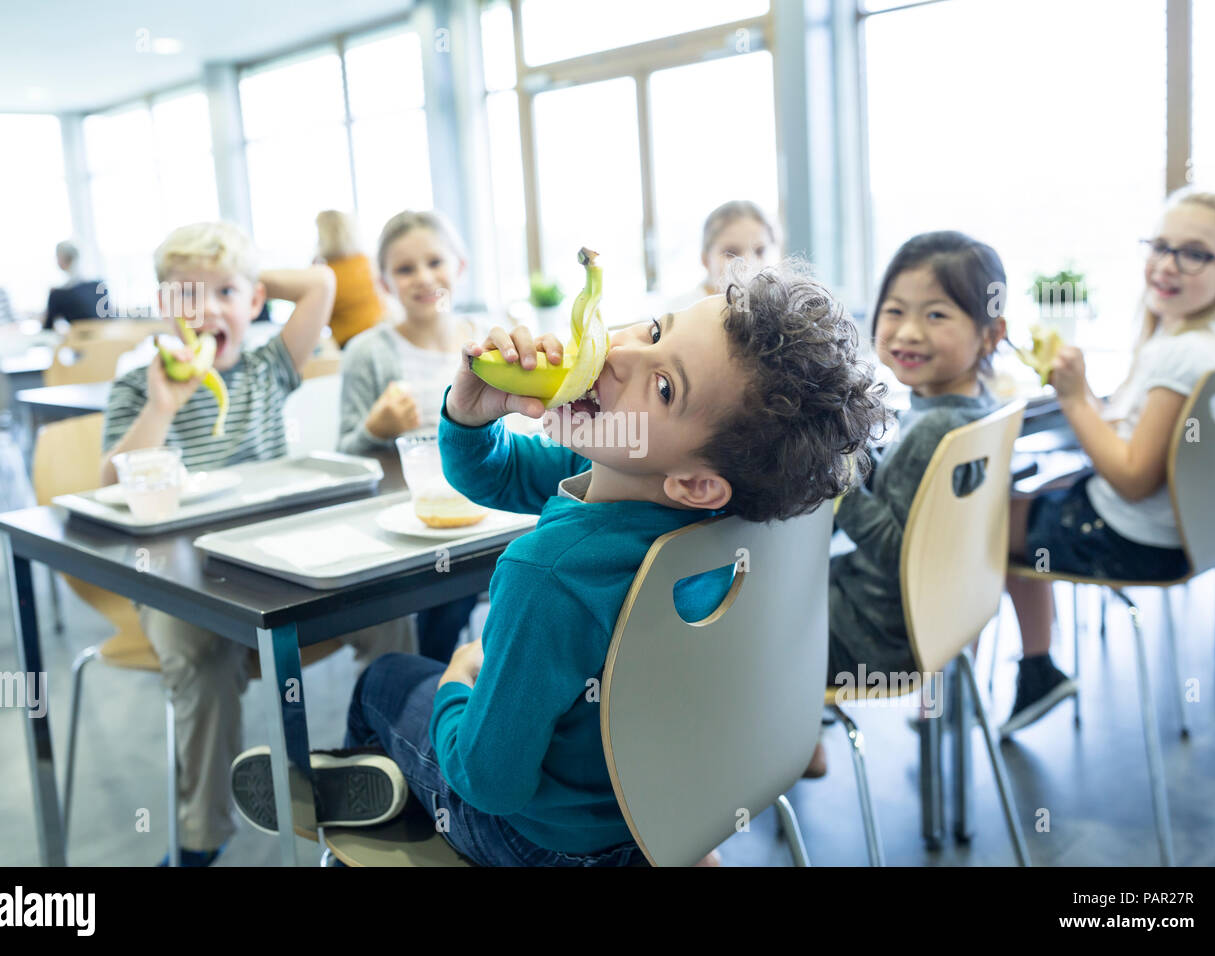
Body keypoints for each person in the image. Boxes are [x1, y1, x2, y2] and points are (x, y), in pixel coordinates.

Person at [229, 257, 888, 866]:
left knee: (388, 680)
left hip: (540, 844)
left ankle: (387, 807)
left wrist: (460, 680)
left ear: (694, 481)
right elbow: (498, 471)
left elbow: (493, 782)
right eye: (654, 328)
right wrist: (471, 411)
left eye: (662, 386)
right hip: (663, 813)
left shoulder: (550, 573)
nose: (621, 351)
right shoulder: (713, 508)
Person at [100, 221, 415, 866]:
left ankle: (378, 771)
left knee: (389, 610)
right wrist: (162, 406)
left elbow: (323, 283)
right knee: (197, 652)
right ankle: (201, 837)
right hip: (176, 576)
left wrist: (242, 271)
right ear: (164, 307)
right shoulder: (138, 385)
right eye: (186, 296)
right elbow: (110, 484)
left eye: (224, 294)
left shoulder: (269, 365)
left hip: (275, 563)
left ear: (254, 303)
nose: (206, 308)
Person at [1003, 189, 1215, 737]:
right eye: (1159, 246)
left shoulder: (1180, 355)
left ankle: (1022, 674)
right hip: (1206, 536)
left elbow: (1134, 479)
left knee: (982, 525)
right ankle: (1034, 669)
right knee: (1026, 502)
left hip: (1132, 538)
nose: (1166, 264)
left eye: (1194, 253)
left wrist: (1072, 398)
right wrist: (1089, 402)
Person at [806, 231, 1023, 777]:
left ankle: (787, 750)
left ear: (991, 332)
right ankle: (800, 734)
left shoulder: (937, 433)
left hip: (878, 637)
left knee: (754, 614)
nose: (907, 332)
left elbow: (900, 553)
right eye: (895, 310)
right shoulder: (976, 411)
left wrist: (839, 469)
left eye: (936, 316)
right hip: (947, 614)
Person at [338, 210, 482, 662]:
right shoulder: (368, 353)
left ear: (459, 266)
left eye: (435, 262)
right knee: (451, 580)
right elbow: (342, 457)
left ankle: (445, 684)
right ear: (384, 283)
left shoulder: (487, 343)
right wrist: (373, 431)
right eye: (404, 269)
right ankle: (429, 684)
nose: (423, 278)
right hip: (407, 523)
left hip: (482, 509)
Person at [663, 200, 779, 313]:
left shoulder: (775, 309)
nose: (748, 264)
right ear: (705, 260)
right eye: (731, 253)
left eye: (760, 251)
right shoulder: (679, 312)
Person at [315, 210, 383, 347]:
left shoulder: (326, 275)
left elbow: (315, 320)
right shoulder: (367, 262)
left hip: (350, 345)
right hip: (381, 335)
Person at [44, 240, 111, 329]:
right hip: (105, 338)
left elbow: (47, 327)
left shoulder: (57, 294)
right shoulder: (100, 286)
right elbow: (108, 317)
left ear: (61, 259)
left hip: (79, 341)